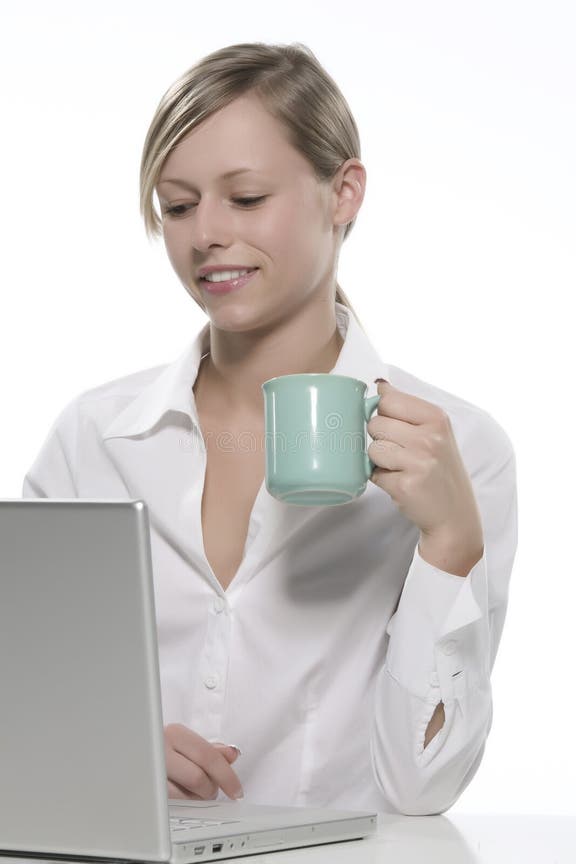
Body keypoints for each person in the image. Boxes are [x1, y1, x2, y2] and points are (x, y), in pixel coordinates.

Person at [21, 41, 517, 815]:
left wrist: (450, 547)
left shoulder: (461, 453)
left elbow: (422, 791)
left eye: (245, 198)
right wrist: (111, 750)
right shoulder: (95, 441)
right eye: (178, 206)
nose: (205, 235)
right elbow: (29, 707)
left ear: (343, 192)